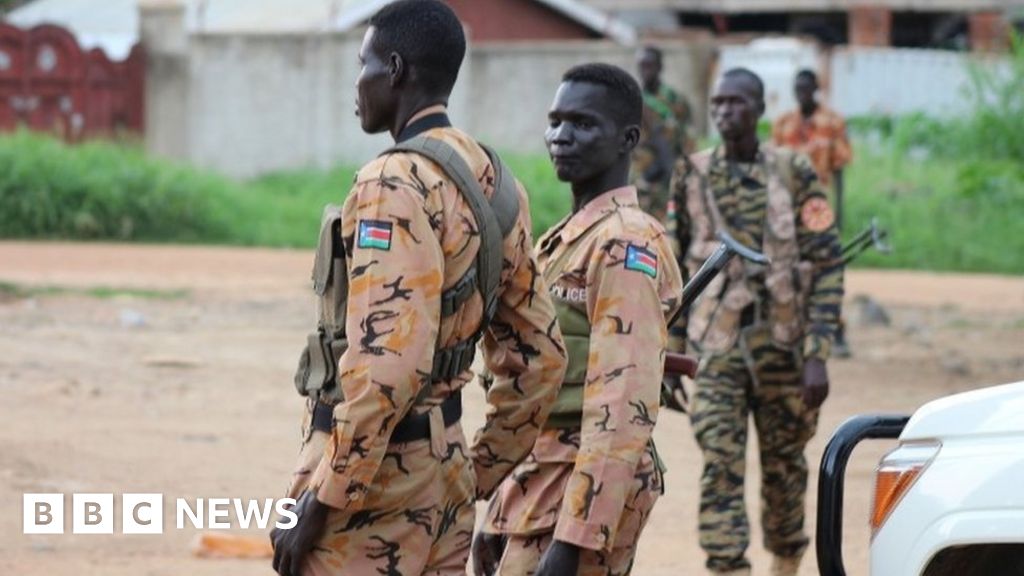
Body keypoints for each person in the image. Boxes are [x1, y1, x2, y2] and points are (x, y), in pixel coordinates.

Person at [269, 2, 567, 575]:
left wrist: (326, 493)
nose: (356, 83)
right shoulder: (495, 180)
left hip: (374, 486)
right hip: (446, 469)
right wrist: (479, 467)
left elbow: (388, 365)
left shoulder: (391, 182)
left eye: (365, 64)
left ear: (397, 69)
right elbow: (542, 355)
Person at [472, 63, 684, 576]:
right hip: (541, 475)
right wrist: (499, 513)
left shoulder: (625, 243)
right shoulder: (567, 238)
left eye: (583, 124)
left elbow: (622, 404)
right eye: (555, 121)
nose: (561, 137)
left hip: (583, 486)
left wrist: (574, 539)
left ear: (627, 139)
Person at [670, 68, 844, 576]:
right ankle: (728, 568)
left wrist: (817, 354)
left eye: (736, 103)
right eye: (718, 102)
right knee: (719, 465)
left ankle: (784, 565)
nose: (724, 111)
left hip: (784, 349)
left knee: (785, 469)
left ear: (760, 109)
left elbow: (827, 262)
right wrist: (671, 352)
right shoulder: (692, 173)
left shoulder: (794, 171)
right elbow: (673, 267)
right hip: (715, 350)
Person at [772, 69, 853, 357]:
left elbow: (840, 170)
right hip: (786, 208)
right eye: (797, 88)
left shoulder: (832, 123)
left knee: (826, 267)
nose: (802, 93)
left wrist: (839, 213)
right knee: (788, 266)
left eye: (807, 88)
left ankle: (834, 329)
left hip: (819, 208)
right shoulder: (783, 124)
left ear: (816, 89)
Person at [632, 45, 695, 223]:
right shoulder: (632, 99)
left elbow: (689, 139)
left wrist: (683, 170)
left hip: (669, 175)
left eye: (649, 65)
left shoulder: (676, 101)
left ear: (660, 67)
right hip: (640, 176)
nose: (645, 70)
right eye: (641, 65)